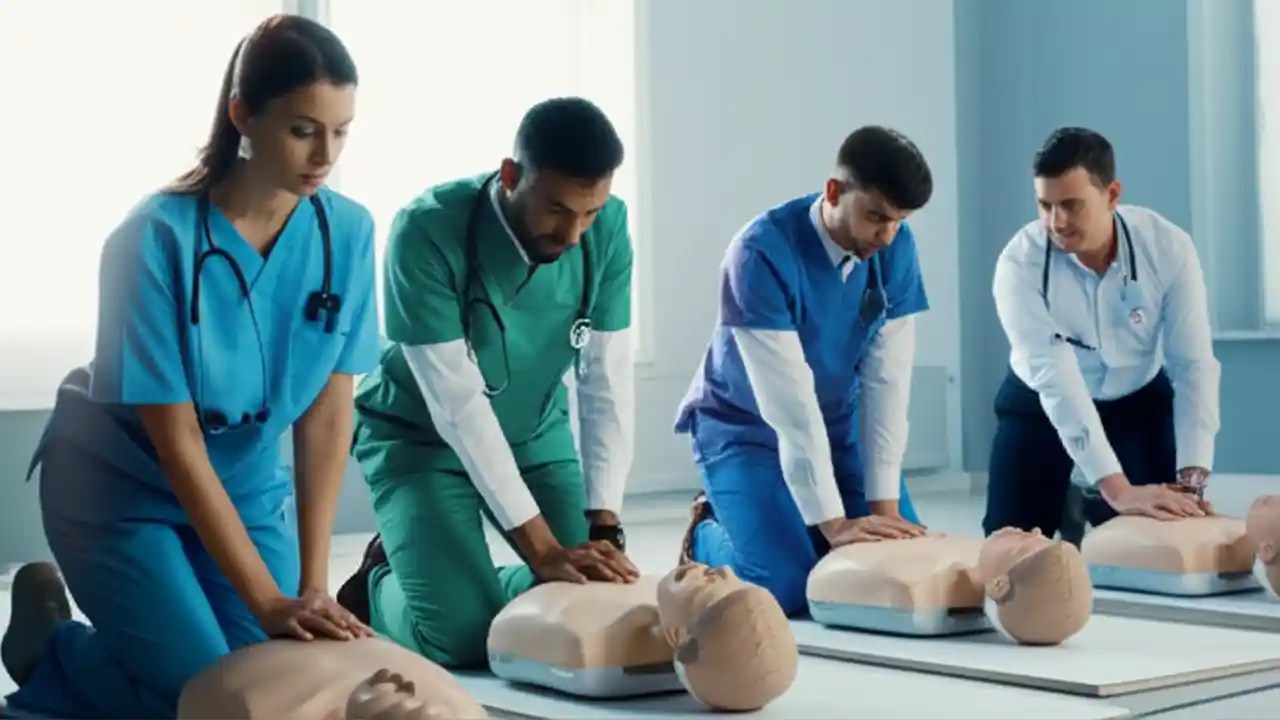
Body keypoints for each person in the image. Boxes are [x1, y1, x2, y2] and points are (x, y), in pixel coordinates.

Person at [0, 14, 379, 718]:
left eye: (341, 130)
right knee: (210, 697)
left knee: (278, 681)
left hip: (246, 488)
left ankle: (118, 651)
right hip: (118, 490)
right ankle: (50, 646)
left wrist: (310, 586)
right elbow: (176, 442)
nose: (325, 154)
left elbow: (328, 415)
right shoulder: (150, 238)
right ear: (243, 115)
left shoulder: (347, 231)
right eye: (303, 129)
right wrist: (264, 598)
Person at [336, 96, 640, 669]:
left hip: (533, 432)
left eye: (590, 212)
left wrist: (604, 523)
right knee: (464, 637)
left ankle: (466, 575)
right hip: (420, 438)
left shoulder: (609, 228)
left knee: (594, 597)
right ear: (510, 176)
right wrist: (543, 551)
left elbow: (606, 381)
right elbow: (458, 410)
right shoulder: (425, 230)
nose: (575, 234)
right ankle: (380, 582)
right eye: (557, 209)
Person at [672, 126, 934, 615]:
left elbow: (887, 384)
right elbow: (788, 403)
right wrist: (834, 524)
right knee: (789, 588)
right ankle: (708, 532)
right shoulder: (759, 253)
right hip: (746, 430)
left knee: (897, 564)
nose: (887, 235)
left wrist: (881, 509)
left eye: (899, 220)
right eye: (876, 216)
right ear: (834, 192)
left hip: (838, 428)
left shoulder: (895, 247)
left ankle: (804, 522)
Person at [983, 126, 1218, 542]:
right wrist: (1119, 489)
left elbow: (1192, 364)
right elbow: (1056, 380)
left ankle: (1088, 500)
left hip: (1137, 400)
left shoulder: (1167, 248)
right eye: (1044, 205)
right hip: (1039, 403)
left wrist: (1192, 475)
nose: (1056, 222)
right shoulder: (1018, 265)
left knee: (1162, 535)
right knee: (1009, 546)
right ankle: (1080, 495)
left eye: (1071, 205)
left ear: (1112, 194)